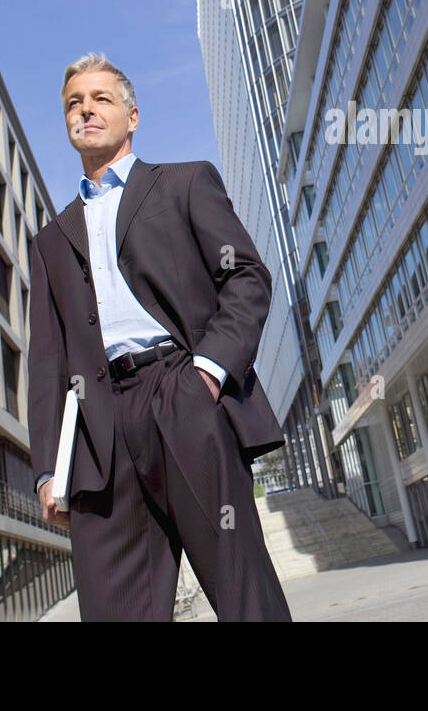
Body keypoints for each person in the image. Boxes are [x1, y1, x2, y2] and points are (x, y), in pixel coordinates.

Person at [27, 52, 292, 621]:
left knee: (244, 591)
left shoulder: (184, 182)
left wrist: (208, 374)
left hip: (183, 397)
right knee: (114, 610)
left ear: (132, 116)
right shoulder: (50, 239)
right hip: (100, 436)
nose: (86, 110)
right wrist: (50, 468)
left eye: (101, 99)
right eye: (74, 103)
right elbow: (47, 359)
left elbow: (247, 276)